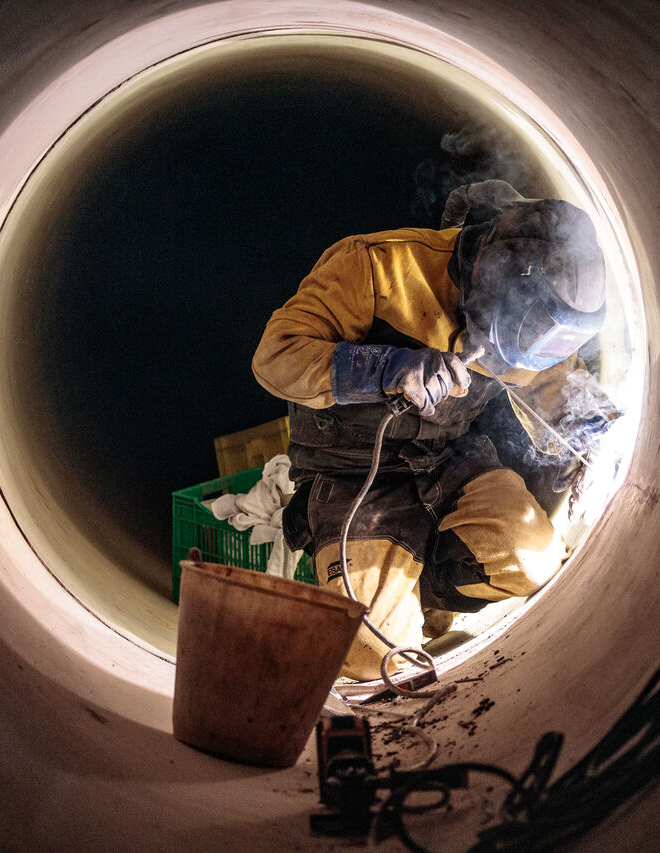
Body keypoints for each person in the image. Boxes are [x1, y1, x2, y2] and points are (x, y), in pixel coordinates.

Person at [252, 181, 617, 680]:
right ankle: (364, 576)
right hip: (356, 472)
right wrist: (383, 367)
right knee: (369, 657)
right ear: (489, 275)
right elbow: (276, 357)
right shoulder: (376, 264)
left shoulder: (534, 324)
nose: (520, 355)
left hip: (449, 459)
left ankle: (416, 591)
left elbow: (558, 384)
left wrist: (595, 439)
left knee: (534, 561)